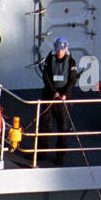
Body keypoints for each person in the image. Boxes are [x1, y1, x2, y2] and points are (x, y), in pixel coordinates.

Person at [39, 36, 78, 164]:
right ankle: (41, 153)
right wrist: (53, 92)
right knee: (45, 125)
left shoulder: (71, 62)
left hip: (63, 99)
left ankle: (60, 156)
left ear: (66, 49)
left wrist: (65, 94)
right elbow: (46, 77)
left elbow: (72, 80)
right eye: (57, 50)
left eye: (61, 50)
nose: (59, 52)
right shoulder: (50, 59)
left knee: (63, 127)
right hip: (50, 96)